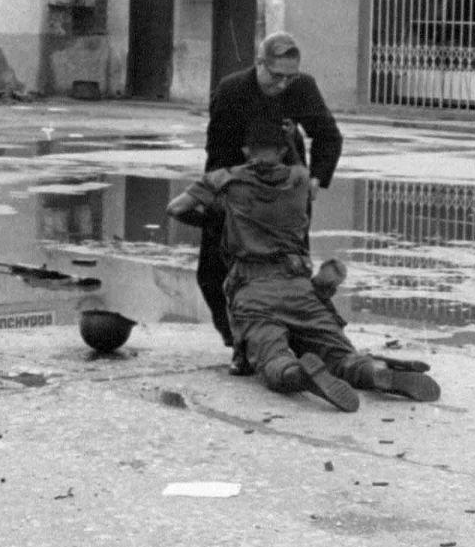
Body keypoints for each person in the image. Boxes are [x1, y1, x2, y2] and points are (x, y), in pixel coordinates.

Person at [168, 118, 439, 412]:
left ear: (246, 149)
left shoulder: (224, 180)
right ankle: (373, 372)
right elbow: (302, 172)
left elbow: (176, 209)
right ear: (283, 149)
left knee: (271, 358)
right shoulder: (299, 179)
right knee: (340, 355)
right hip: (300, 290)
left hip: (253, 291)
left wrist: (216, 222)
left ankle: (297, 374)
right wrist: (292, 148)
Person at [200, 31, 343, 375]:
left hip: (285, 189)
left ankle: (295, 338)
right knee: (214, 271)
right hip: (240, 187)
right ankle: (238, 341)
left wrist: (315, 178)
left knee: (289, 268)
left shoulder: (302, 87)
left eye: (289, 77)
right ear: (259, 63)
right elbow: (216, 149)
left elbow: (328, 135)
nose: (282, 85)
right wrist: (218, 195)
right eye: (275, 76)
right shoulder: (231, 90)